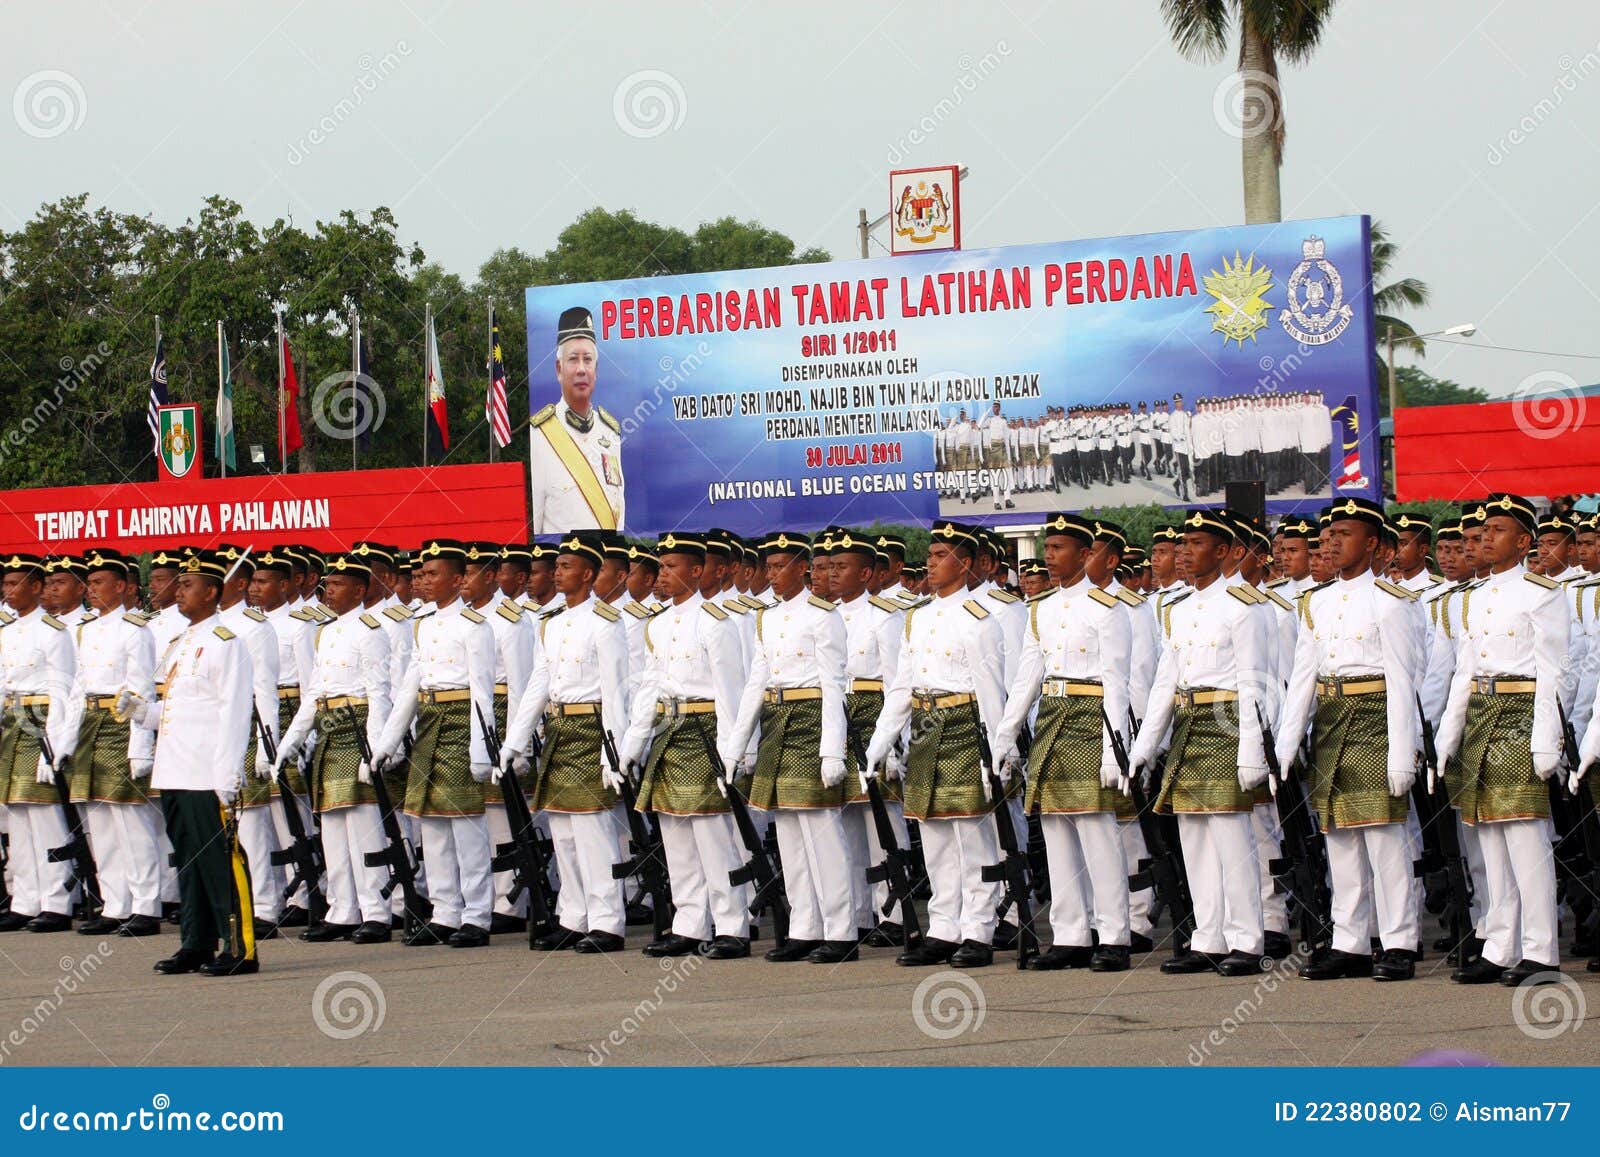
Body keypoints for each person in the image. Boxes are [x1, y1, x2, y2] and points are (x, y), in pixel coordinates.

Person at [1276, 498, 1422, 981]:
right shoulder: (1316, 601)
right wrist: (1286, 742)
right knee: (1339, 837)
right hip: (1333, 719)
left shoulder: (1391, 601)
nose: (1333, 542)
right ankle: (1350, 941)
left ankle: (1399, 940)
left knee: (1384, 836)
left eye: (1345, 534)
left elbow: (1404, 683)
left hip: (1376, 720)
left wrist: (1404, 753)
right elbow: (1303, 678)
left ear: (1374, 544)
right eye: (1329, 534)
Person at [1129, 509, 1271, 977]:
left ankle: (1247, 940)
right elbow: (1165, 683)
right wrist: (1144, 746)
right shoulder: (1180, 608)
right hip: (1190, 723)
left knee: (1232, 838)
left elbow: (1254, 684)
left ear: (1226, 552)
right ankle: (1208, 936)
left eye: (1196, 544)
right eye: (1183, 544)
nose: (1186, 553)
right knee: (1194, 837)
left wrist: (1252, 751)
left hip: (1227, 723)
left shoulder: (1243, 605)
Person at [864, 521, 1007, 969]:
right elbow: (902, 688)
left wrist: (997, 753)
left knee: (972, 835)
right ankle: (944, 927)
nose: (930, 560)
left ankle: (978, 930)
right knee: (934, 833)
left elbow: (990, 691)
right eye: (930, 553)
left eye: (941, 554)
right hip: (927, 726)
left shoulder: (980, 620)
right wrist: (880, 742)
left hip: (965, 724)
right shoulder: (917, 617)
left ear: (964, 563)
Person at [1438, 494, 1568, 985]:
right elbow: (1464, 671)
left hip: (1520, 714)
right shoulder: (1475, 597)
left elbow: (1555, 671)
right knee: (1488, 832)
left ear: (1524, 541)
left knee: (1525, 836)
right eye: (1484, 531)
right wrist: (1450, 734)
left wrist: (1545, 741)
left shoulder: (1541, 592)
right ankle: (1500, 945)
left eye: (1497, 530)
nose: (1486, 538)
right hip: (1481, 714)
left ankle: (1541, 951)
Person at [995, 513, 1132, 971]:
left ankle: (1113, 934)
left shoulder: (1107, 608)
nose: (1049, 557)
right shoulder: (1042, 608)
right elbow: (1027, 675)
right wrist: (1005, 732)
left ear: (1085, 553)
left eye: (1057, 549)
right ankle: (1071, 933)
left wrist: (1117, 747)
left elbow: (1118, 682)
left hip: (1092, 718)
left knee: (1096, 830)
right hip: (1054, 717)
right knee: (1055, 829)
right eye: (1048, 549)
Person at [616, 532, 751, 959]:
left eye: (674, 567)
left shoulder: (716, 622)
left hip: (705, 730)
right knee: (674, 832)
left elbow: (732, 693)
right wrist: (631, 745)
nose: (665, 575)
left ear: (696, 570)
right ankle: (689, 923)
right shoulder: (657, 624)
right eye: (662, 567)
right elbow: (648, 688)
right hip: (668, 731)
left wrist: (734, 752)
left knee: (712, 833)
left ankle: (732, 924)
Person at [123, 551, 255, 976]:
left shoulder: (225, 643)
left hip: (207, 770)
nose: (178, 591)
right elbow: (182, 709)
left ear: (212, 591)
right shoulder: (183, 641)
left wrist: (229, 773)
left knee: (220, 860)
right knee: (190, 861)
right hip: (176, 769)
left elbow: (234, 712)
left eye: (187, 585)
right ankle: (196, 943)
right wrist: (143, 713)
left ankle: (239, 948)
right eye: (178, 584)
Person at [723, 531, 853, 963]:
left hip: (813, 721)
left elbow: (835, 686)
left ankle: (840, 930)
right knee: (790, 836)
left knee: (821, 831)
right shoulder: (766, 617)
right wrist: (736, 746)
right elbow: (754, 686)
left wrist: (832, 750)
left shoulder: (822, 614)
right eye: (769, 567)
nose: (773, 575)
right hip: (778, 722)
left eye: (781, 567)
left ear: (804, 567)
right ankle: (804, 927)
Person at [499, 533, 630, 953]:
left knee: (594, 833)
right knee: (564, 833)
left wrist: (615, 754)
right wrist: (514, 741)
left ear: (588, 574)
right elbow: (539, 683)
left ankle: (607, 921)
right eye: (557, 566)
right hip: (558, 731)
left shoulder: (606, 623)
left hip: (591, 732)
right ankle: (574, 918)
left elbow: (615, 692)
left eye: (566, 566)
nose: (557, 572)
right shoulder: (551, 624)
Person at [372, 539, 498, 948]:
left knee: (466, 825)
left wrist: (482, 750)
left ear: (459, 580)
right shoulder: (422, 624)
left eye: (432, 574)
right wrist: (388, 741)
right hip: (429, 722)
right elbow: (411, 684)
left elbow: (483, 693)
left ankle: (476, 914)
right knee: (432, 825)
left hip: (462, 722)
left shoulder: (475, 626)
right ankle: (444, 912)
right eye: (421, 575)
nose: (424, 581)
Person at [274, 551, 394, 943]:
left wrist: (374, 748)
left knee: (363, 826)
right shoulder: (325, 632)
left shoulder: (370, 630)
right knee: (332, 827)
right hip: (329, 731)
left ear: (359, 590)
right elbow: (313, 694)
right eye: (328, 584)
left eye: (339, 584)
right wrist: (291, 741)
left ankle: (376, 910)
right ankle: (342, 909)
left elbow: (379, 693)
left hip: (356, 728)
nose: (329, 590)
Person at [59, 548, 160, 937]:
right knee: (98, 821)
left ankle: (146, 905)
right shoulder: (86, 629)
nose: (92, 589)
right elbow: (77, 687)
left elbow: (142, 691)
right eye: (90, 582)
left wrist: (139, 747)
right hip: (90, 722)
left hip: (121, 722)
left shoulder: (135, 630)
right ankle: (115, 904)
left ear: (121, 586)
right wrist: (66, 739)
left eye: (99, 582)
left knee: (131, 820)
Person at [0, 552, 77, 933]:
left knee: (44, 815)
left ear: (36, 586)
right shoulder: (6, 631)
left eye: (16, 584)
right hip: (11, 722)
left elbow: (64, 690)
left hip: (41, 721)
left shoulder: (52, 631)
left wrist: (56, 743)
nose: (8, 591)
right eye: (5, 584)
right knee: (16, 815)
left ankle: (57, 900)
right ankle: (25, 899)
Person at [529, 307, 625, 533]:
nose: (581, 369)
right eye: (573, 359)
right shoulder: (540, 434)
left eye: (588, 360)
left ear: (596, 369)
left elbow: (618, 511)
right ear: (559, 369)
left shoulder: (610, 433)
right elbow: (537, 521)